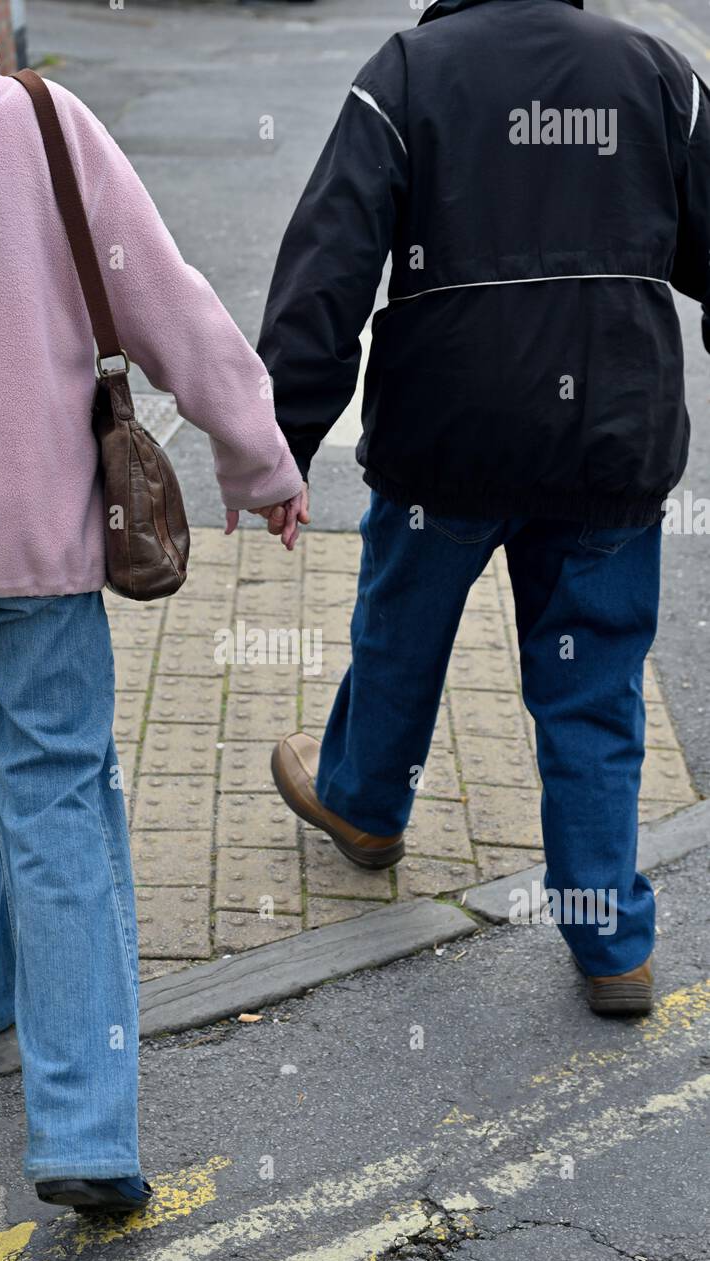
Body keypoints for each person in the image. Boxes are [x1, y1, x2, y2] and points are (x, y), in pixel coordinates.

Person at [0, 0, 307, 1212]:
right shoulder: (42, 122)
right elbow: (169, 304)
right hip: (36, 538)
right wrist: (256, 457)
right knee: (60, 797)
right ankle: (85, 1127)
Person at [258, 0, 710, 1017]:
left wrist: (280, 441)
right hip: (610, 433)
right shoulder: (651, 70)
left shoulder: (410, 70)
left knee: (399, 638)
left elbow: (326, 266)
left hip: (448, 437)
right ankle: (609, 945)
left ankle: (365, 807)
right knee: (591, 685)